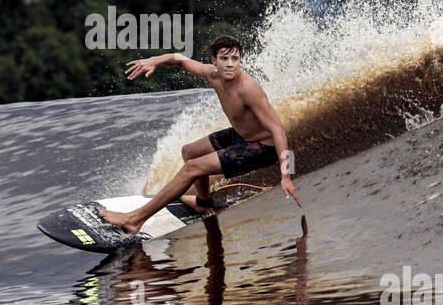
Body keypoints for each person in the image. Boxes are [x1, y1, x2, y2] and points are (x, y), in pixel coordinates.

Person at [99, 34, 301, 234]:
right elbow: (180, 60)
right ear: (214, 61)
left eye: (235, 58)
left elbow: (279, 132)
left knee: (191, 168)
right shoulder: (213, 74)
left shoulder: (248, 89)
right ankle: (204, 203)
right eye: (224, 58)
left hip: (263, 148)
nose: (230, 64)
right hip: (242, 135)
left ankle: (135, 220)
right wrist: (154, 60)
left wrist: (286, 176)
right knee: (189, 151)